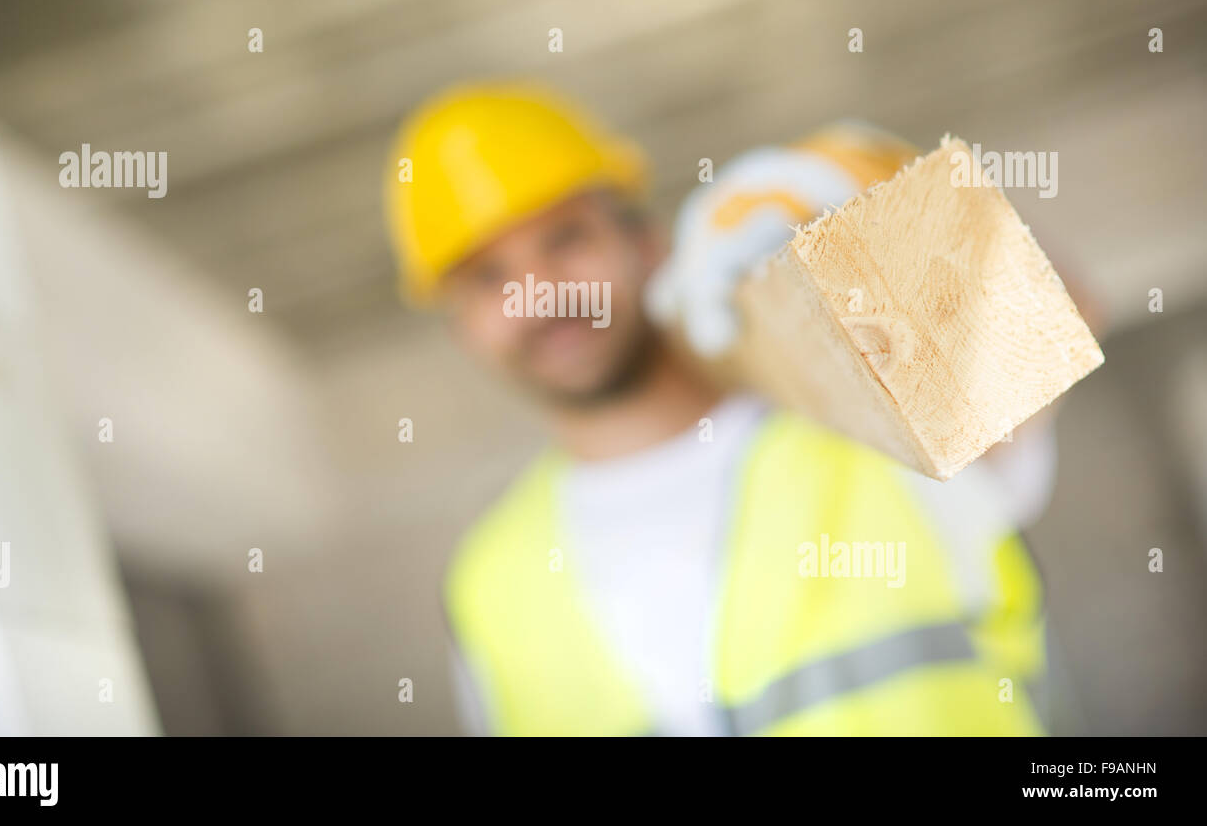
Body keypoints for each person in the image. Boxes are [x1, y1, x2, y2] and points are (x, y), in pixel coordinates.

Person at [384, 81, 1057, 736]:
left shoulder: (868, 418)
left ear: (646, 242)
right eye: (487, 277)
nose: (539, 293)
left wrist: (885, 207)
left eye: (565, 239)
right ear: (461, 329)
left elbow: (1043, 332)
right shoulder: (487, 584)